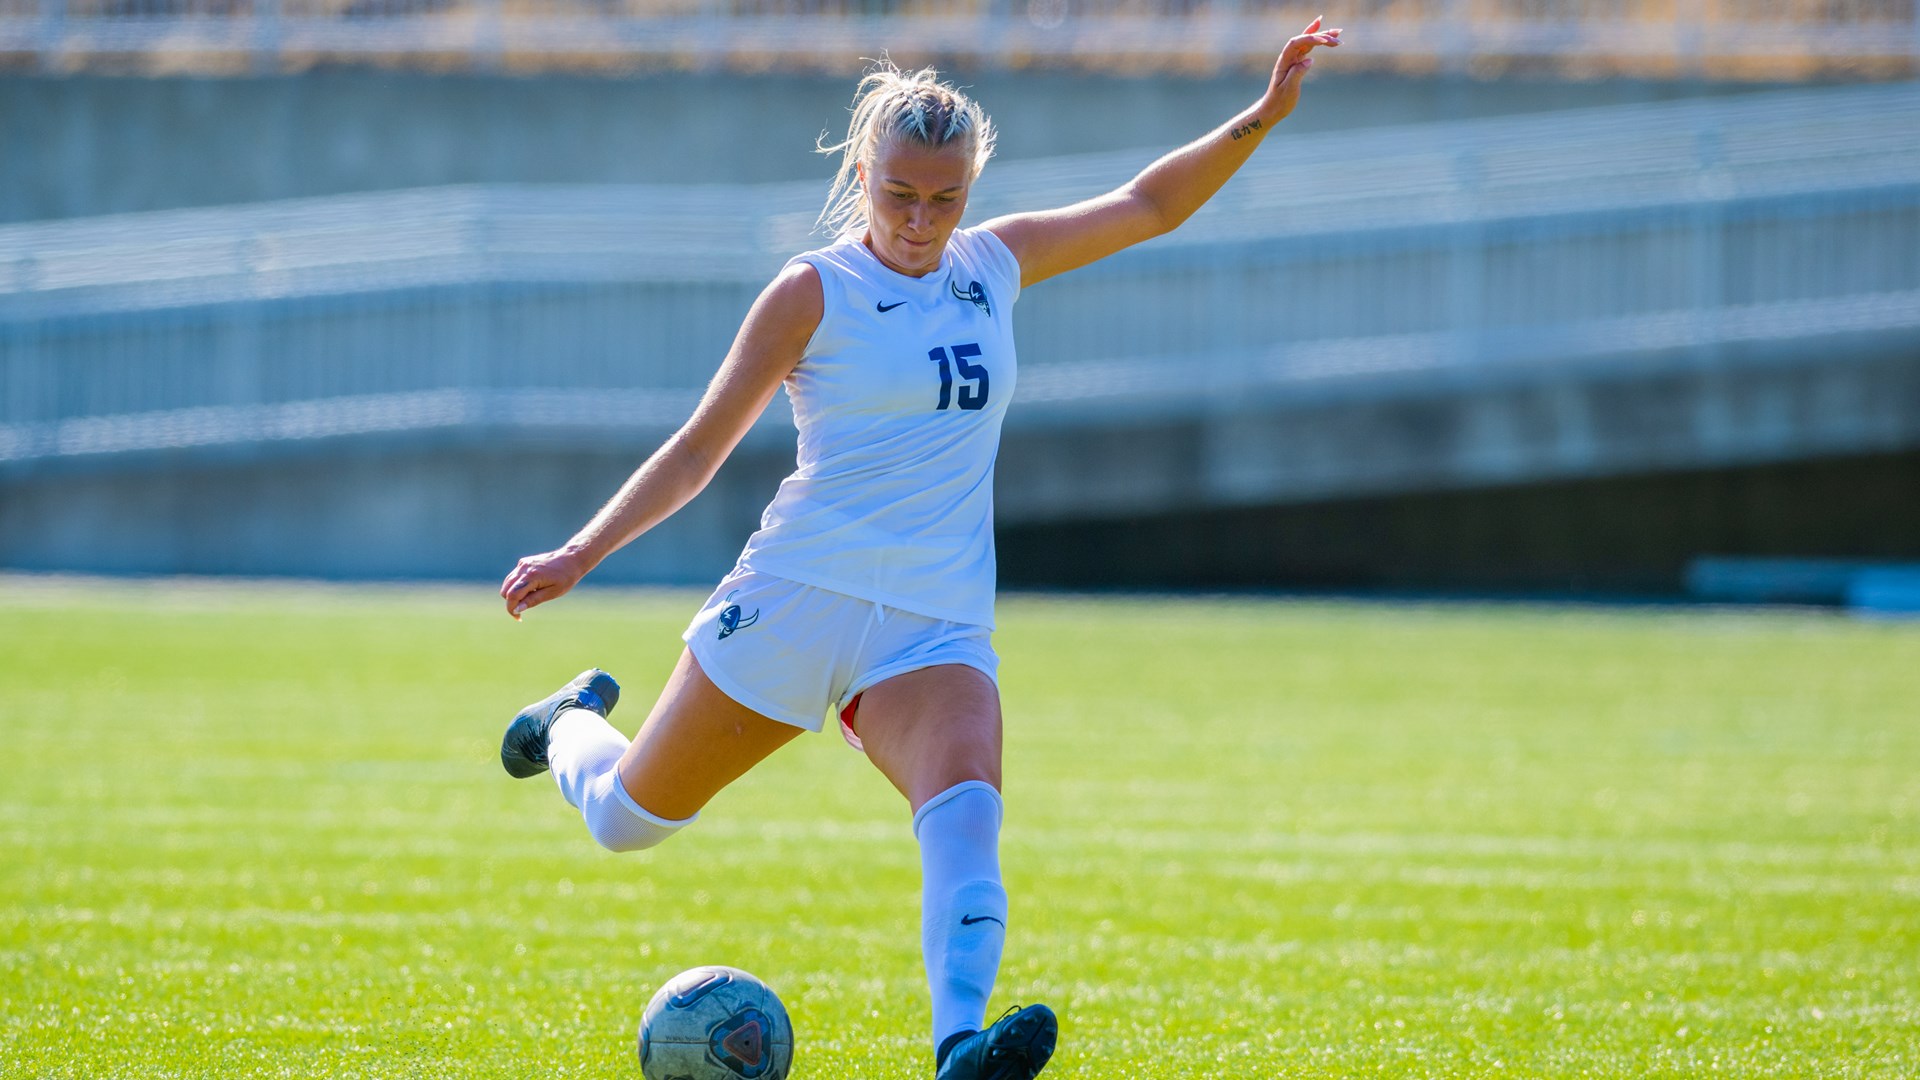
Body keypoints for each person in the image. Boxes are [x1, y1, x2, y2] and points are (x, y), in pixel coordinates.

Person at [497, 20, 1341, 1079]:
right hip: (798, 593)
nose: (921, 220)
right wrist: (581, 552)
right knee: (626, 822)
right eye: (900, 194)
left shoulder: (995, 263)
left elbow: (1150, 205)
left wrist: (1262, 115)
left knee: (966, 807)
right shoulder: (813, 291)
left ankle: (958, 1045)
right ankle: (568, 722)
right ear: (863, 173)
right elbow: (700, 450)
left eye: (945, 199)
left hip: (935, 619)